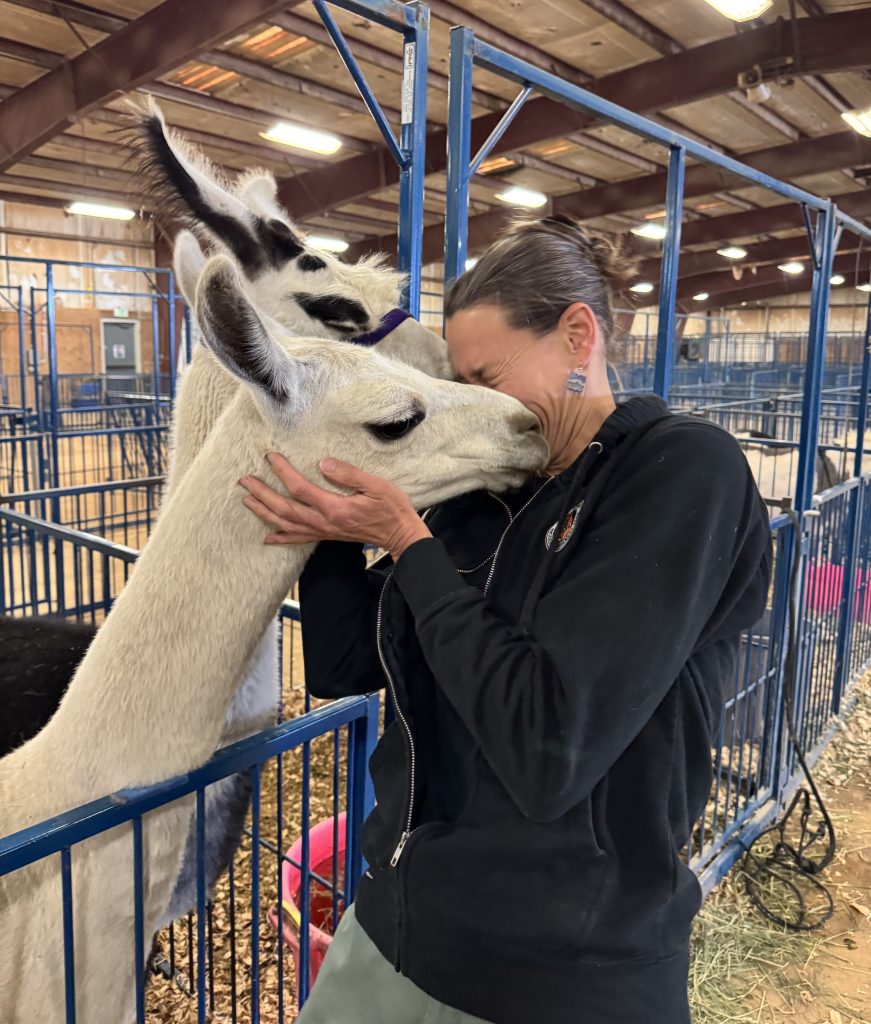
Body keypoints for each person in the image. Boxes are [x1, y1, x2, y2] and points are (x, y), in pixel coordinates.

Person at [239, 214, 772, 1024]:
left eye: (485, 377)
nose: (477, 405)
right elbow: (347, 662)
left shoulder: (679, 471)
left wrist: (408, 542)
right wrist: (331, 524)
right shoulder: (485, 495)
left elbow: (549, 744)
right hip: (394, 925)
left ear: (577, 337)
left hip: (552, 979)